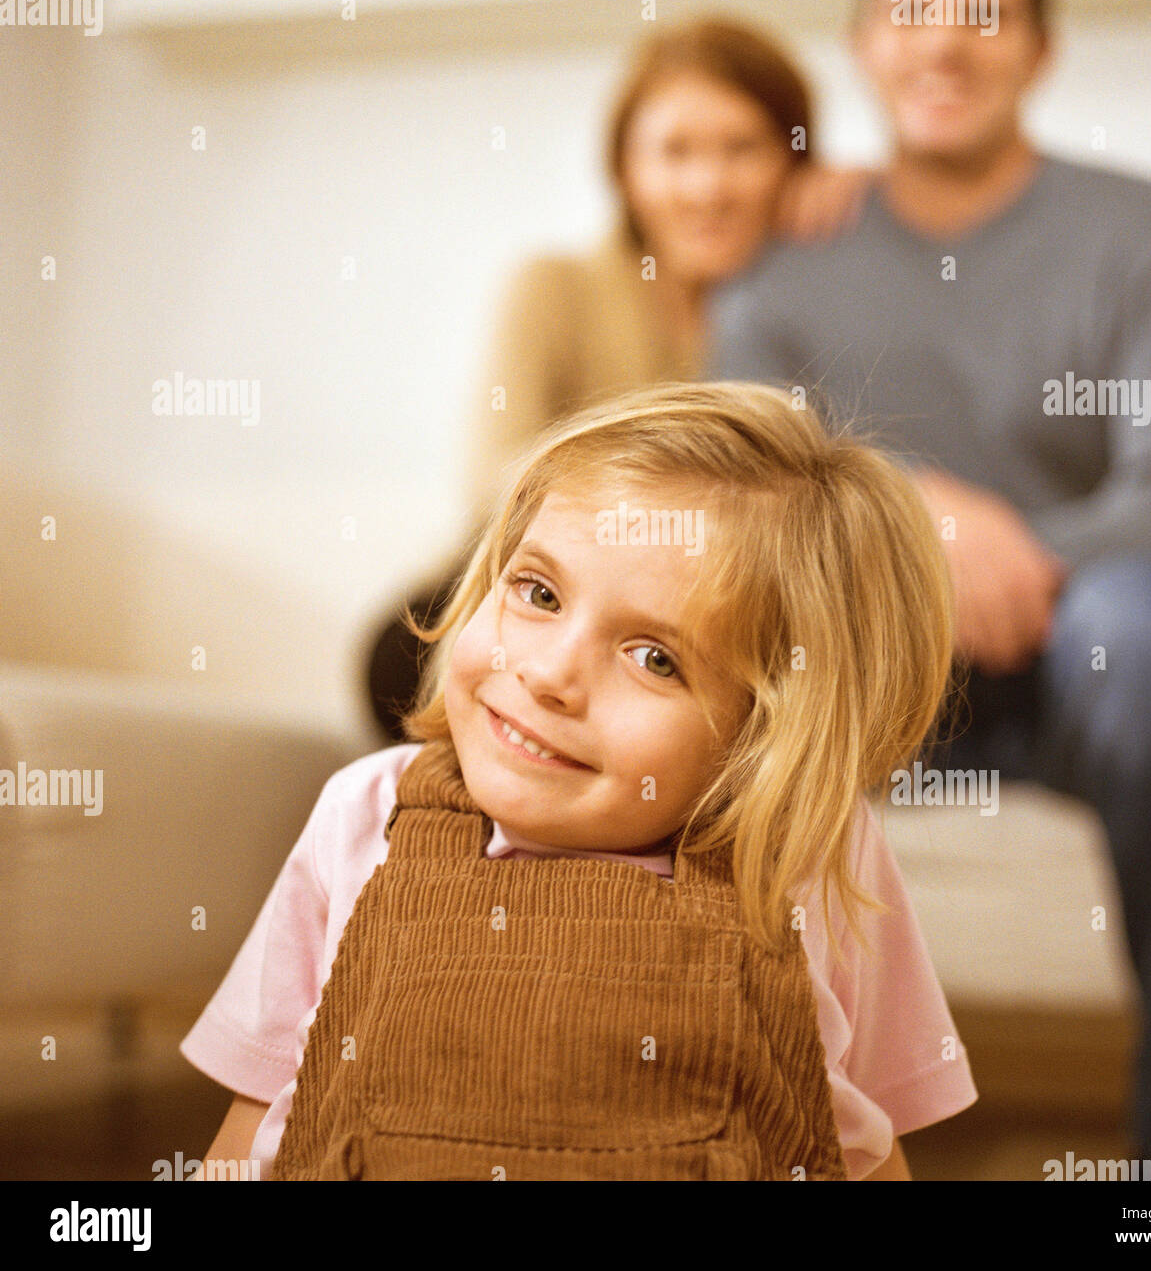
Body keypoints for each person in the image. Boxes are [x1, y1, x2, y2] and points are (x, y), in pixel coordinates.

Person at [709, 0, 1151, 1181]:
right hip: (864, 677)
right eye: (910, 11)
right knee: (731, 668)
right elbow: (753, 520)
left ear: (1039, 47)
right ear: (864, 43)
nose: (944, 42)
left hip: (1088, 667)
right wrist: (919, 532)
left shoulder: (1146, 232)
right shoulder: (782, 269)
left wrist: (1002, 558)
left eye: (982, 12)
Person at [181, 380, 977, 1180]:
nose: (550, 673)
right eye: (538, 593)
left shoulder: (807, 852)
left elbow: (870, 1150)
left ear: (769, 736)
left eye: (654, 659)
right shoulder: (363, 813)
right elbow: (248, 1132)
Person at [364, 16, 873, 742]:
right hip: (557, 597)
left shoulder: (813, 302)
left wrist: (875, 217)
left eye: (743, 149)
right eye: (674, 153)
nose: (708, 186)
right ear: (625, 172)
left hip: (727, 618)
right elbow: (496, 483)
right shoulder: (555, 287)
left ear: (796, 164)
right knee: (401, 654)